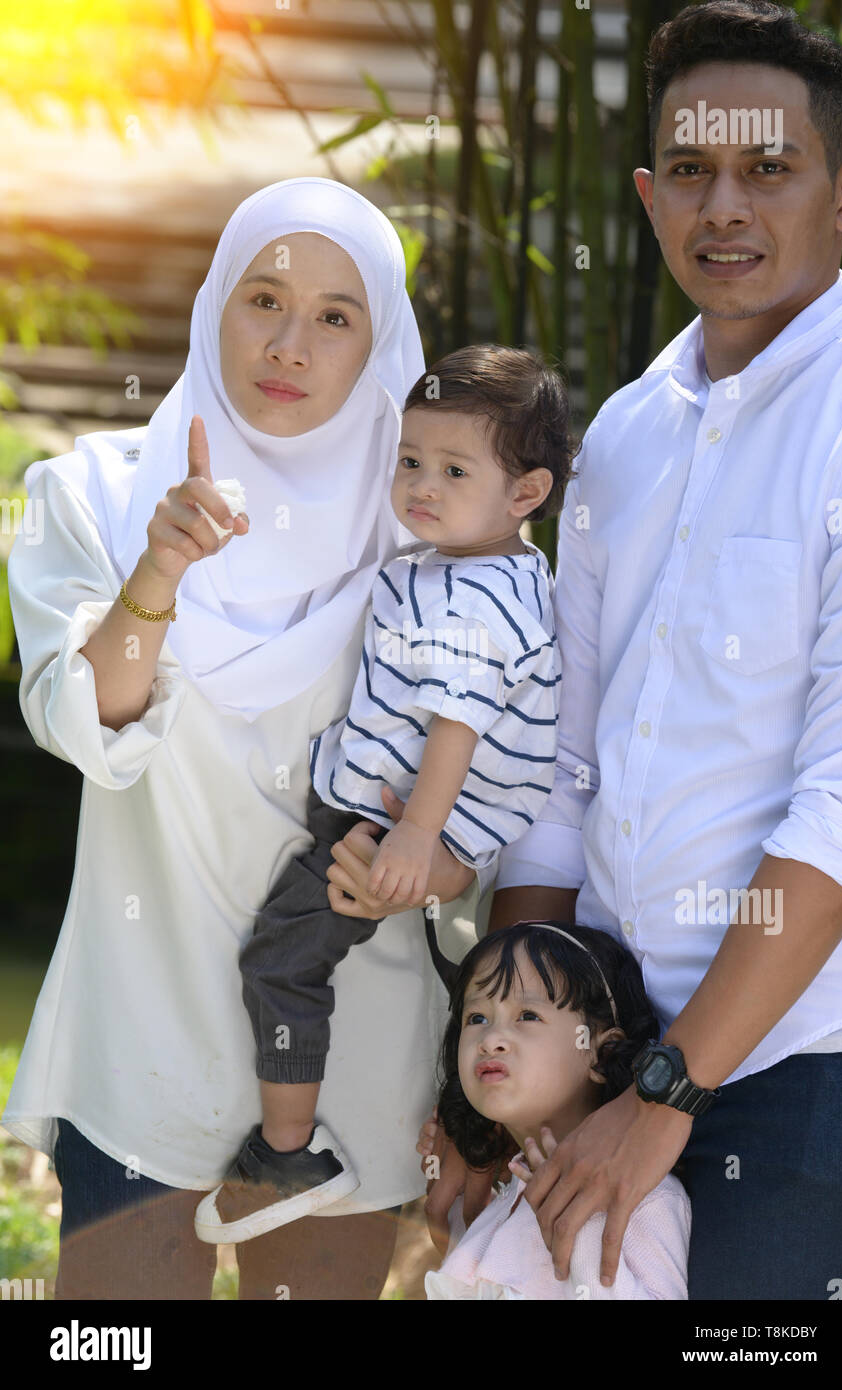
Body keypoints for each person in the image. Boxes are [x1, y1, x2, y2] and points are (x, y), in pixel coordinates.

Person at [422, 0, 842, 1301]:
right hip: (592, 1058)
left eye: (764, 170)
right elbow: (559, 772)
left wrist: (668, 1091)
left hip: (798, 1080)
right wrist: (499, 1082)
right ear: (645, 192)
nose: (720, 206)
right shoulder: (619, 435)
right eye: (688, 171)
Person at [3, 176, 482, 1300]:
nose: (291, 342)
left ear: (383, 345)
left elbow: (502, 799)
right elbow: (83, 723)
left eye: (335, 315)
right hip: (141, 1027)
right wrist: (158, 572)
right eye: (263, 297)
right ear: (215, 303)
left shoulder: (436, 545)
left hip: (355, 1053)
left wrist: (433, 863)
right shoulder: (99, 493)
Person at [193, 344, 574, 1244]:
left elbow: (456, 722)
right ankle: (454, 1143)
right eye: (409, 461)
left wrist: (414, 839)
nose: (421, 486)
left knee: (282, 961)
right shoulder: (457, 562)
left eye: (452, 470)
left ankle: (290, 1154)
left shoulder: (482, 596)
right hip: (404, 817)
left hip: (400, 823)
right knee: (447, 986)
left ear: (525, 495)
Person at [423, 920, 690, 1299]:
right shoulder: (498, 1200)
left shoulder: (647, 1199)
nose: (491, 1039)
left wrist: (578, 1236)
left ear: (602, 1052)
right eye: (476, 1018)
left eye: (527, 1016)